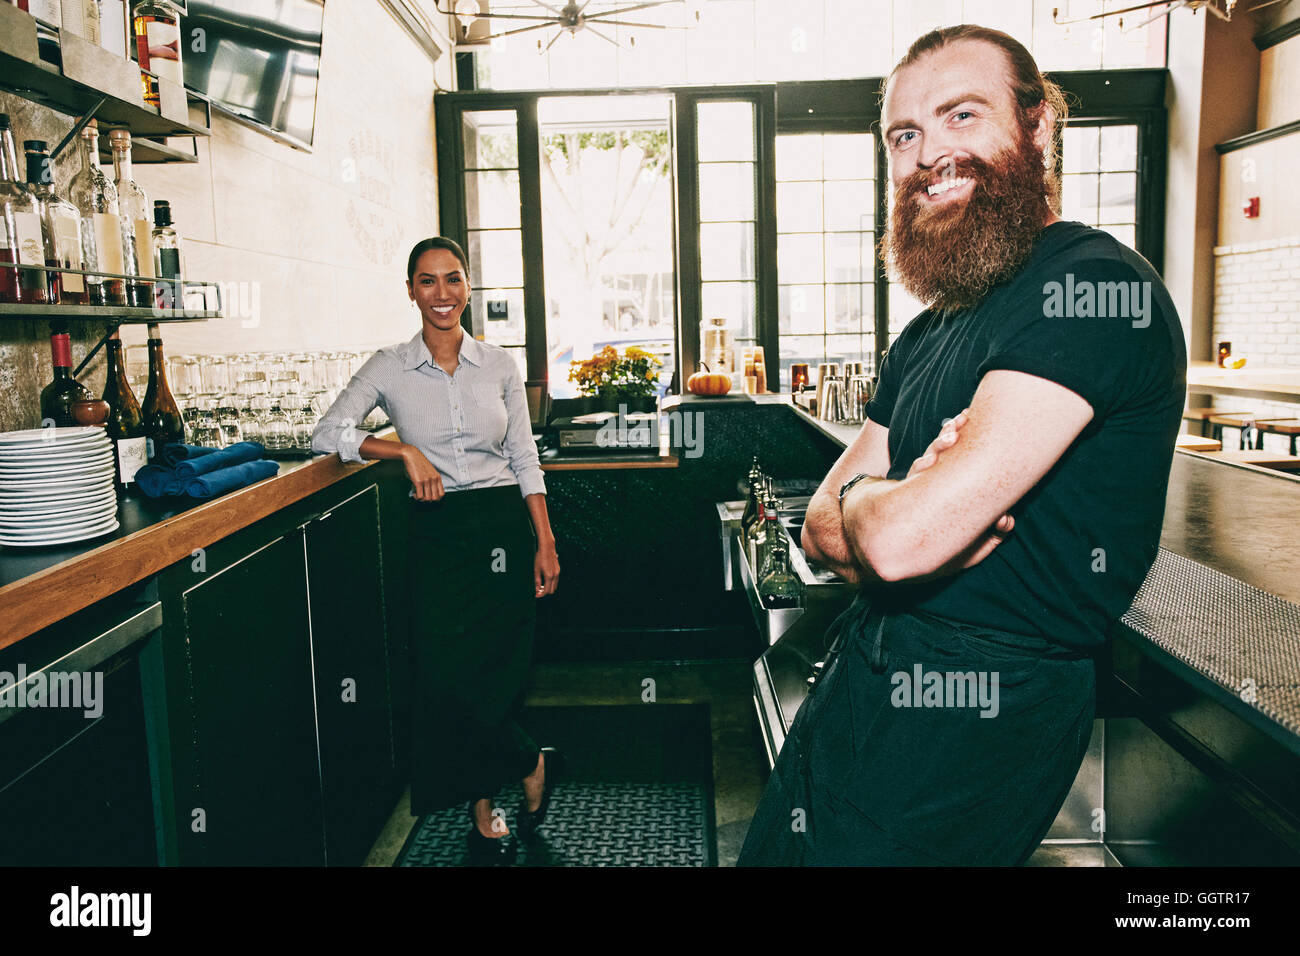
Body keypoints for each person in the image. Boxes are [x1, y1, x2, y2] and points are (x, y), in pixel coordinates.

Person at [737, 25, 1186, 866]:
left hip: (982, 714)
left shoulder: (1093, 287)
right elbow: (821, 534)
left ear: (1039, 125)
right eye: (905, 136)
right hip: (867, 674)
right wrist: (885, 508)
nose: (929, 154)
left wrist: (876, 501)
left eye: (963, 116)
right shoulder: (933, 327)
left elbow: (899, 542)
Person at [312, 236, 563, 866]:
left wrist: (546, 540)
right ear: (410, 290)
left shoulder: (501, 366)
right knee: (446, 680)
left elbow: (524, 459)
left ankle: (482, 808)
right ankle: (529, 761)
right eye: (427, 282)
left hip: (503, 529)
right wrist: (399, 450)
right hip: (436, 533)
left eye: (453, 280)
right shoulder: (389, 366)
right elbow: (325, 431)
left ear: (469, 287)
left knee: (494, 678)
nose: (442, 294)